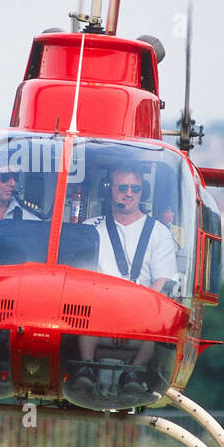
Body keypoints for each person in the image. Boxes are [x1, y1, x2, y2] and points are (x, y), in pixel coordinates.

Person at [74, 164, 177, 398]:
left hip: (143, 313)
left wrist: (133, 318)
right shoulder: (90, 229)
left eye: (136, 188)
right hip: (98, 308)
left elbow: (162, 281)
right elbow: (81, 279)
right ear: (108, 190)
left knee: (161, 313)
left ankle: (135, 373)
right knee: (85, 302)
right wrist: (111, 316)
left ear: (143, 192)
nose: (129, 193)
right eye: (123, 187)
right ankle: (86, 368)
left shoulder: (160, 233)